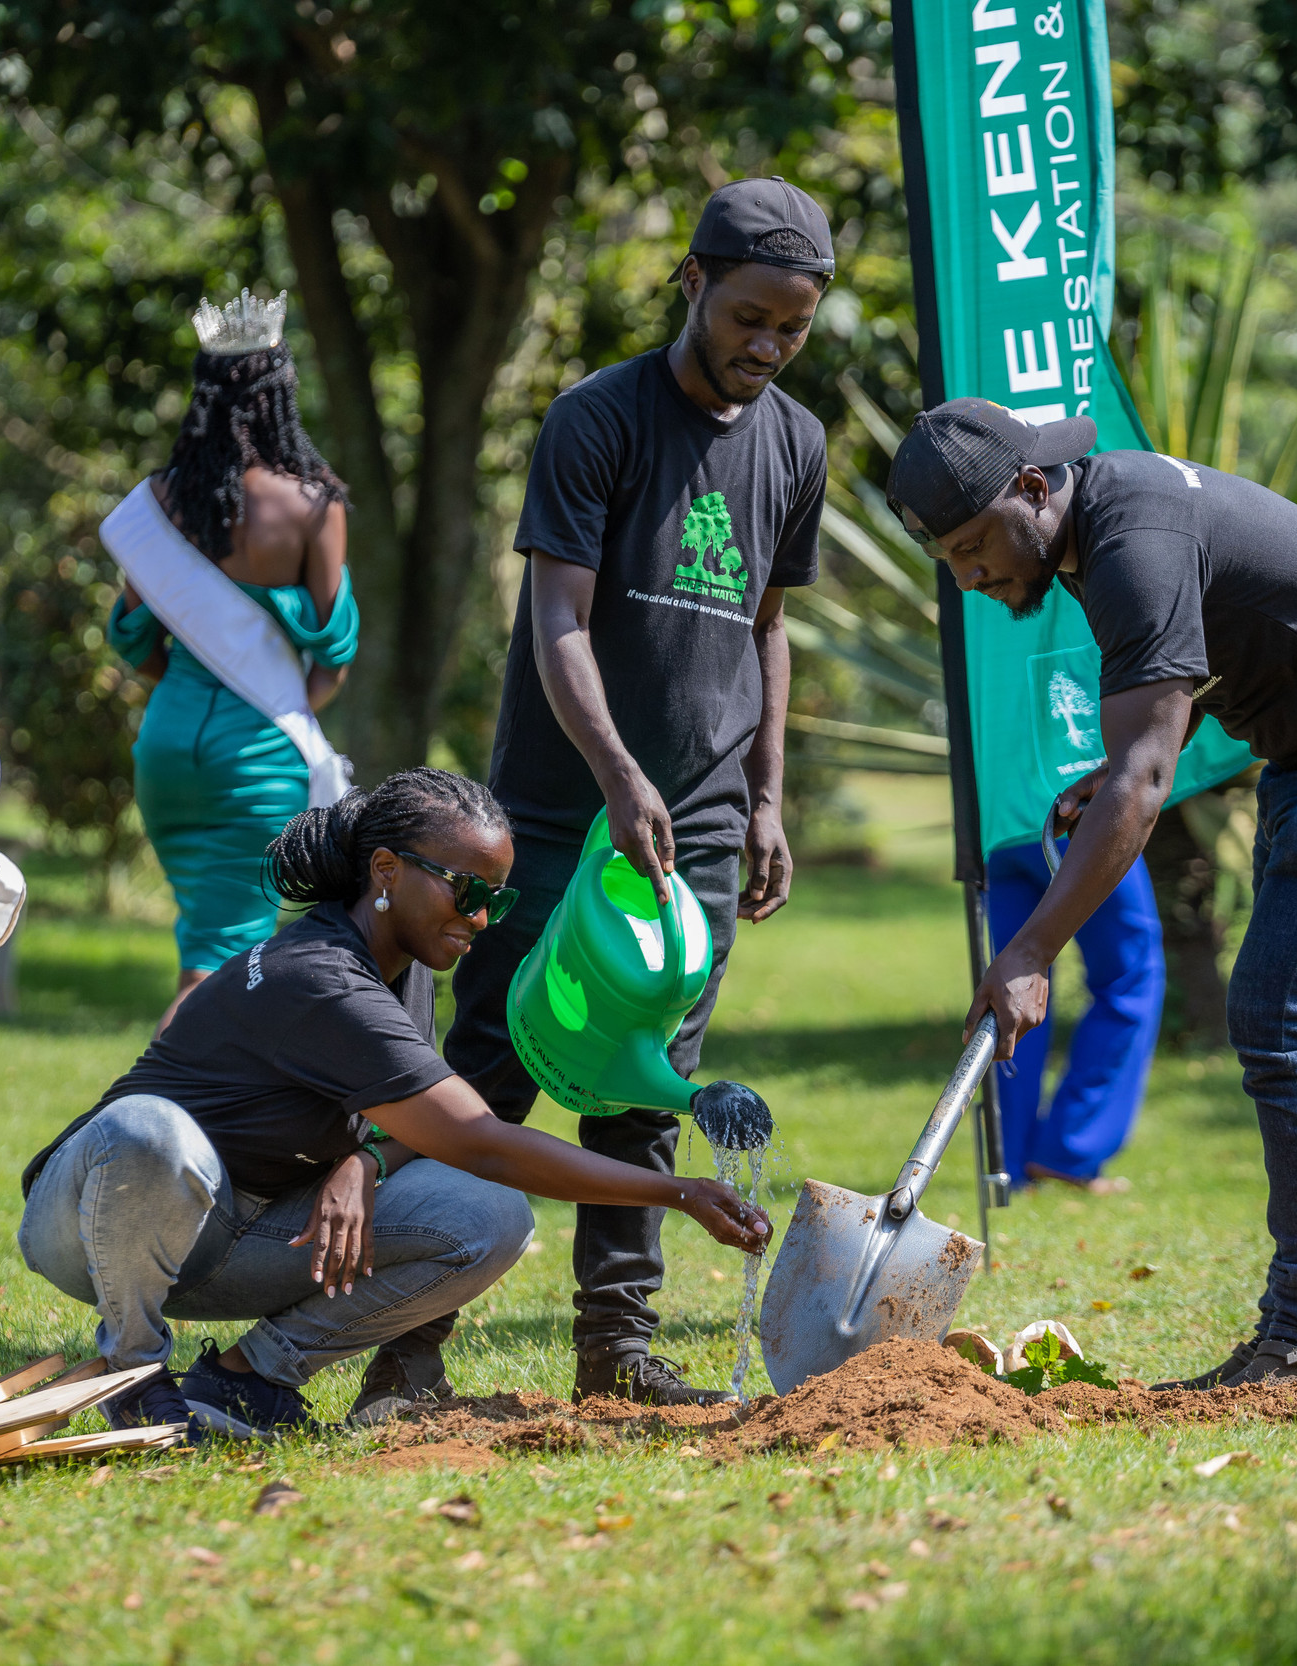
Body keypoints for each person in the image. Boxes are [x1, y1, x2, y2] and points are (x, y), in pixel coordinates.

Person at [886, 399, 1297, 1389]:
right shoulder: (1101, 529)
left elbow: (1145, 778)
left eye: (971, 547)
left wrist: (1032, 950)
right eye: (947, 560)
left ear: (1032, 491)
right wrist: (1117, 768)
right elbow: (1197, 667)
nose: (968, 577)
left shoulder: (1129, 539)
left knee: (1287, 1015)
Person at [14, 768, 772, 1439]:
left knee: (492, 1218)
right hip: (91, 1222)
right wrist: (678, 1190)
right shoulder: (319, 976)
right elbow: (481, 1139)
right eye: (467, 892)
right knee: (154, 1133)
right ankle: (134, 1378)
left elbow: (425, 1120)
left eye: (496, 903)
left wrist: (365, 1161)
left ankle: (248, 1381)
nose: (479, 919)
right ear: (386, 870)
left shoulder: (400, 967)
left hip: (237, 1235)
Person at [442, 177, 833, 1407]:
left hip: (703, 825)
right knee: (494, 1064)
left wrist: (766, 796)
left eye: (793, 329)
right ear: (692, 283)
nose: (766, 347)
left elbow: (766, 628)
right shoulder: (597, 418)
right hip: (562, 812)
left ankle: (615, 1355)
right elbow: (555, 615)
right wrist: (615, 773)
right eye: (749, 317)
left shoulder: (797, 444)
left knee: (645, 1079)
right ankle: (405, 1350)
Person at [106, 289, 357, 1030]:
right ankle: (163, 1112)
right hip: (257, 756)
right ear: (281, 394)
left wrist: (189, 694)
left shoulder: (161, 502)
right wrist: (274, 707)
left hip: (167, 745)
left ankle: (188, 1114)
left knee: (206, 944)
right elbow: (333, 657)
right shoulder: (313, 504)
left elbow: (133, 641)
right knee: (222, 961)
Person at [985, 837, 1163, 1194]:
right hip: (1077, 818)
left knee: (1012, 989)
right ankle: (1070, 1150)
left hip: (998, 822)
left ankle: (1011, 1164)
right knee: (1129, 977)